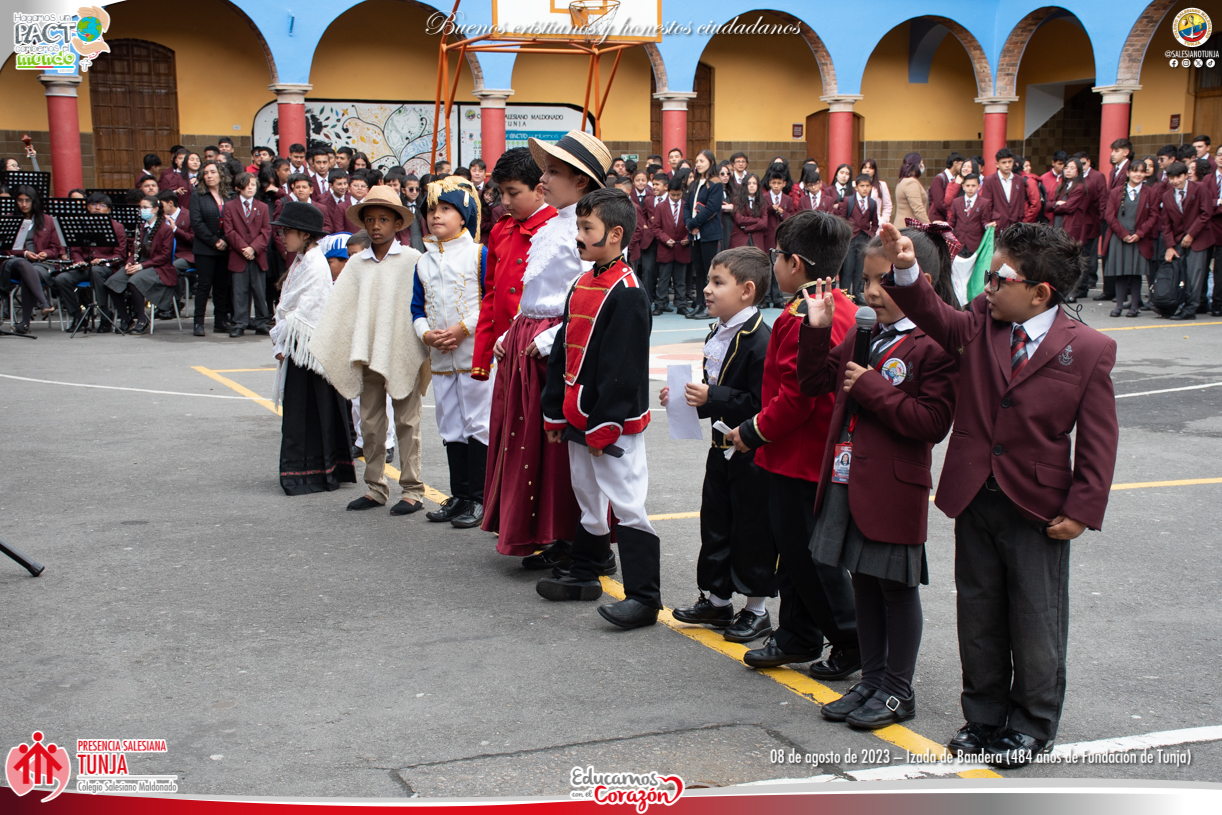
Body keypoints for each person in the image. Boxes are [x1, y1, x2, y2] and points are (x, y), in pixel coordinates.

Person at [884, 220, 1118, 767]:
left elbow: (1098, 439)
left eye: (998, 279)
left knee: (1036, 618)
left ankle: (1032, 725)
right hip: (975, 495)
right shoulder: (977, 327)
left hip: (1040, 507)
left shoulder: (1087, 348)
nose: (986, 289)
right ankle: (983, 716)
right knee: (979, 612)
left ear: (1039, 292)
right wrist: (905, 267)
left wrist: (1082, 508)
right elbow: (933, 314)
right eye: (986, 278)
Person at [797, 225, 960, 730]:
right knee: (864, 582)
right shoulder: (866, 330)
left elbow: (932, 423)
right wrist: (819, 329)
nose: (868, 293)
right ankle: (871, 678)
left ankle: (896, 689)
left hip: (894, 486)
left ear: (918, 281)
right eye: (865, 281)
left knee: (895, 587)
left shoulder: (935, 345)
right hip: (850, 477)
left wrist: (870, 388)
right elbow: (815, 381)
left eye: (881, 282)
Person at [724, 210, 860, 679]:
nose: (775, 264)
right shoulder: (838, 303)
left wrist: (751, 431)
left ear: (795, 263)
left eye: (778, 257)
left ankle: (850, 637)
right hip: (812, 452)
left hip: (798, 454)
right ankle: (798, 634)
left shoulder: (803, 315)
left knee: (809, 559)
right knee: (797, 554)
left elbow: (795, 397)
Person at [537, 186, 660, 630]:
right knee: (588, 496)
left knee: (627, 502)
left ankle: (645, 597)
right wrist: (555, 411)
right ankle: (587, 569)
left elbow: (623, 367)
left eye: (586, 228)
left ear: (615, 234)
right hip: (578, 415)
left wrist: (605, 426)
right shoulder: (582, 281)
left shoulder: (627, 291)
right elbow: (561, 354)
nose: (579, 235)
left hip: (611, 424)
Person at [474, 146, 582, 562]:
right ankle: (543, 532)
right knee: (524, 443)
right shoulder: (550, 226)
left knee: (551, 448)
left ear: (580, 181)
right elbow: (529, 288)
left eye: (552, 173)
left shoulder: (580, 226)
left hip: (551, 340)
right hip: (526, 337)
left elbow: (584, 296)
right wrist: (513, 329)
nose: (545, 181)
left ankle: (568, 536)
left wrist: (553, 337)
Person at [666, 246, 776, 643]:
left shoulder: (759, 340)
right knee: (715, 524)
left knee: (752, 530)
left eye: (718, 282)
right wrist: (684, 399)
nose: (707, 290)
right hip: (720, 449)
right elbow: (714, 393)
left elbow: (761, 403)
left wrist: (711, 398)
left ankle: (757, 609)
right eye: (709, 281)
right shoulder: (719, 332)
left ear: (747, 290)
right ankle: (715, 599)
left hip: (751, 452)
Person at [310, 186, 430, 515]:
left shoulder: (412, 260)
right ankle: (375, 486)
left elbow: (422, 304)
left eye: (384, 220)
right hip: (368, 353)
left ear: (397, 224)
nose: (376, 226)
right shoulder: (356, 264)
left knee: (408, 422)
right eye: (371, 220)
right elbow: (342, 310)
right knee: (370, 423)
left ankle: (412, 489)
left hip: (402, 349)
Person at [410, 176, 495, 530]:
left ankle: (479, 498)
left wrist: (463, 328)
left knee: (479, 426)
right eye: (431, 210)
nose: (436, 216)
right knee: (451, 427)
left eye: (446, 209)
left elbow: (492, 299)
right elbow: (416, 308)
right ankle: (459, 494)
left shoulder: (480, 254)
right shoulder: (423, 262)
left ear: (464, 216)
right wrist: (427, 334)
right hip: (442, 360)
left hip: (476, 355)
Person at [267, 201, 357, 495]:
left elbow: (308, 313)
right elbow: (290, 307)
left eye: (287, 230)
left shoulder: (315, 263)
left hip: (310, 350)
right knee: (306, 412)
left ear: (305, 234)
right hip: (298, 347)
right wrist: (281, 334)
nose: (282, 235)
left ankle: (313, 473)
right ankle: (314, 471)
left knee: (310, 412)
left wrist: (282, 336)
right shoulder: (302, 260)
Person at [58, 192, 127, 328]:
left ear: (109, 209)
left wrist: (102, 260)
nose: (97, 208)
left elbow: (120, 255)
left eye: (102, 205)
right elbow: (75, 250)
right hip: (85, 267)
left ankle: (105, 314)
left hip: (106, 268)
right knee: (62, 279)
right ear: (88, 207)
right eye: (94, 205)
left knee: (96, 271)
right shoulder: (80, 224)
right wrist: (78, 261)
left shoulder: (117, 227)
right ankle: (78, 317)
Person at [115, 194, 177, 333]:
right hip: (140, 265)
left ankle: (142, 318)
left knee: (134, 281)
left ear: (155, 209)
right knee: (113, 282)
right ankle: (126, 318)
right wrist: (130, 262)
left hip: (158, 268)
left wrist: (142, 266)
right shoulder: (141, 228)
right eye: (140, 207)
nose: (141, 210)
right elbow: (133, 250)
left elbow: (165, 256)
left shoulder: (165, 229)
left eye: (145, 207)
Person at [1102, 160, 1157, 318]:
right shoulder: (1116, 192)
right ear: (1128, 173)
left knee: (1135, 273)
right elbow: (1109, 215)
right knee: (1120, 272)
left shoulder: (1150, 192)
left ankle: (1134, 306)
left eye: (1141, 171)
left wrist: (1139, 233)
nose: (1138, 174)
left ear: (1146, 173)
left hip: (1139, 237)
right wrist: (1123, 234)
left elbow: (1154, 216)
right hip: (1120, 237)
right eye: (1135, 171)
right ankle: (1119, 305)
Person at [1, 186, 60, 333]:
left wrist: (45, 253)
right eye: (20, 200)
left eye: (28, 201)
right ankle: (44, 302)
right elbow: (7, 247)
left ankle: (24, 324)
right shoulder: (9, 219)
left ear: (35, 202)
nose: (24, 204)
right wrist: (25, 253)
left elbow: (55, 248)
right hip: (15, 261)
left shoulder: (47, 220)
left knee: (29, 273)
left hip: (41, 263)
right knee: (23, 265)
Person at [221, 172, 273, 337]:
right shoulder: (229, 206)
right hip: (238, 254)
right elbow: (229, 231)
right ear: (238, 188)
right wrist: (244, 248)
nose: (251, 188)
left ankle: (261, 321)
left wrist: (254, 248)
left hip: (258, 255)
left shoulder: (262, 206)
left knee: (259, 290)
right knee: (240, 291)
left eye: (253, 184)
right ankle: (240, 322)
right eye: (247, 184)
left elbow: (266, 230)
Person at [1162, 161, 1214, 321]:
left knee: (1194, 276)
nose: (1175, 180)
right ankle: (1180, 304)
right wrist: (1170, 246)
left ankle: (1191, 308)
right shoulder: (1167, 195)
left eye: (1178, 176)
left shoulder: (1199, 188)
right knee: (1180, 275)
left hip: (1199, 239)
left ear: (1186, 175)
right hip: (1178, 240)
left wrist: (1191, 234)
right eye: (1171, 178)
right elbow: (1165, 223)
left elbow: (1206, 213)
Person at [189, 160, 234, 336]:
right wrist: (214, 241)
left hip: (225, 246)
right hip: (205, 248)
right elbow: (196, 222)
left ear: (220, 175)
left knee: (222, 286)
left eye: (213, 172)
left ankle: (220, 321)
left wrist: (224, 239)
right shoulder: (197, 195)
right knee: (204, 285)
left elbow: (232, 221)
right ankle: (198, 323)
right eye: (206, 173)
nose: (209, 176)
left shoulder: (230, 195)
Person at [683, 149, 725, 321]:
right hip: (695, 235)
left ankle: (709, 307)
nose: (698, 164)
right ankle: (700, 304)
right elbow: (687, 206)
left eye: (702, 161)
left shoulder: (716, 183)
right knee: (699, 271)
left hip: (708, 233)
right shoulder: (695, 183)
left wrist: (693, 223)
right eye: (697, 161)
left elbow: (711, 209)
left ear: (711, 162)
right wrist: (688, 223)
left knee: (709, 272)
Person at [835, 174, 880, 298]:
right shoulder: (848, 200)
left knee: (860, 267)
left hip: (864, 237)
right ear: (856, 187)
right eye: (862, 186)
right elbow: (842, 218)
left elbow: (875, 222)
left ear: (871, 187)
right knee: (848, 266)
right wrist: (844, 234)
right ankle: (845, 293)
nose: (865, 188)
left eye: (867, 186)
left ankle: (856, 294)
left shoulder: (872, 203)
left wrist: (871, 233)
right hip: (851, 237)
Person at [652, 174, 691, 314]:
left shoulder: (687, 206)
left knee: (680, 280)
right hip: (665, 248)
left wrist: (688, 237)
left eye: (678, 195)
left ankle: (681, 305)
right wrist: (665, 238)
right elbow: (656, 228)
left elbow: (691, 225)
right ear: (668, 191)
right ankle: (659, 304)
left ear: (682, 192)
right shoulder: (661, 207)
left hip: (682, 247)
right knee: (663, 279)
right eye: (673, 195)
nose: (675, 197)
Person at [980, 149, 1030, 234]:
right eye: (1004, 162)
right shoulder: (989, 180)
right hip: (997, 224)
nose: (1007, 165)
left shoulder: (1019, 180)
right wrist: (987, 222)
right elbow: (986, 205)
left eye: (1009, 162)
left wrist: (1021, 220)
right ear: (997, 164)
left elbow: (1021, 203)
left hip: (1015, 225)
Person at [948, 173, 987, 256]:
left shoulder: (984, 203)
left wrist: (988, 226)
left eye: (973, 185)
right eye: (967, 185)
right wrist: (944, 227)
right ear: (963, 186)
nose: (970, 188)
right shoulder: (956, 202)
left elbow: (984, 221)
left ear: (979, 186)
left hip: (976, 244)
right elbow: (952, 221)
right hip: (959, 243)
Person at [730, 173, 767, 250]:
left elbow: (764, 223)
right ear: (745, 185)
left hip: (756, 240)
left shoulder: (763, 201)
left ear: (758, 186)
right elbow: (739, 219)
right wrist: (757, 220)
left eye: (754, 183)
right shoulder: (737, 200)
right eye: (749, 183)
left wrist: (746, 227)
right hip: (740, 239)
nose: (751, 185)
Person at [892, 153, 928, 225]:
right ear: (917, 165)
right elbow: (918, 209)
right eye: (921, 164)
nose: (923, 167)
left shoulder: (903, 180)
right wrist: (930, 227)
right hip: (908, 229)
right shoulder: (911, 182)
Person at [926, 154, 962, 223]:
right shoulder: (939, 178)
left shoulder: (956, 179)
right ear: (955, 163)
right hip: (938, 219)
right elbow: (940, 203)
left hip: (946, 219)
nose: (963, 167)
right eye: (962, 164)